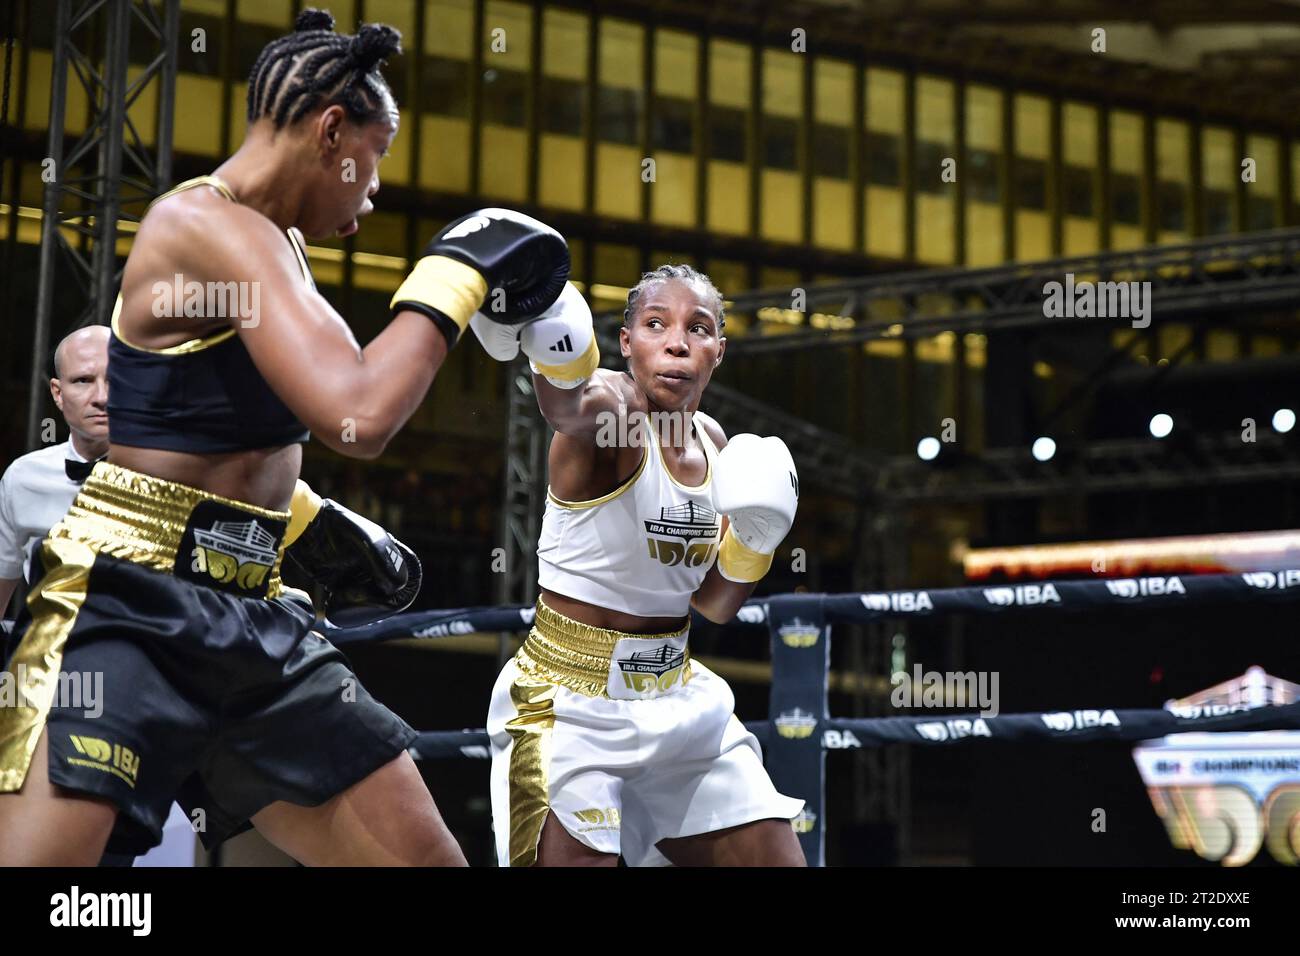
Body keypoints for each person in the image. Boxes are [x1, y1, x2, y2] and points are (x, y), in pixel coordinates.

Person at [0, 9, 567, 866]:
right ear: (331, 130)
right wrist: (457, 271)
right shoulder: (200, 229)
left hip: (252, 614)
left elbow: (212, 421)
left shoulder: (278, 244)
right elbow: (359, 414)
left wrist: (300, 517)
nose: (371, 191)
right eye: (371, 164)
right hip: (127, 611)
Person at [478, 265, 807, 866]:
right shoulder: (612, 412)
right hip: (571, 705)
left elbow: (713, 604)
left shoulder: (715, 444)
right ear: (627, 343)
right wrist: (557, 347)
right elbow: (567, 409)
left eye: (697, 328)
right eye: (656, 325)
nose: (677, 342)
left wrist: (757, 540)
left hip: (678, 697)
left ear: (718, 351)